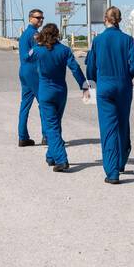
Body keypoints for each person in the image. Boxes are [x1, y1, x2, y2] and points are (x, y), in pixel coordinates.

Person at [86, 7, 134, 184]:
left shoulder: (98, 40)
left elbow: (91, 67)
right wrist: (126, 76)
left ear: (105, 19)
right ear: (119, 20)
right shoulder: (127, 40)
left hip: (104, 86)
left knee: (108, 128)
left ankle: (112, 172)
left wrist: (94, 81)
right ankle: (122, 159)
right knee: (123, 123)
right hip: (123, 85)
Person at [31, 22, 89, 173]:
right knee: (55, 124)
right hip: (61, 92)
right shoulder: (64, 50)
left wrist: (37, 42)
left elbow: (26, 57)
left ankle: (62, 159)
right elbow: (75, 68)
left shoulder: (38, 50)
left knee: (51, 126)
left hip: (45, 91)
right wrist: (84, 86)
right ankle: (51, 156)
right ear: (57, 35)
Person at [17, 8, 46, 147]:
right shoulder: (34, 35)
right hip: (33, 71)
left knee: (25, 104)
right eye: (38, 17)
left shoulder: (25, 34)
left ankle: (22, 137)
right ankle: (46, 135)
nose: (40, 20)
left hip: (23, 70)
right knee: (44, 103)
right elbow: (39, 53)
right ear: (30, 18)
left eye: (42, 18)